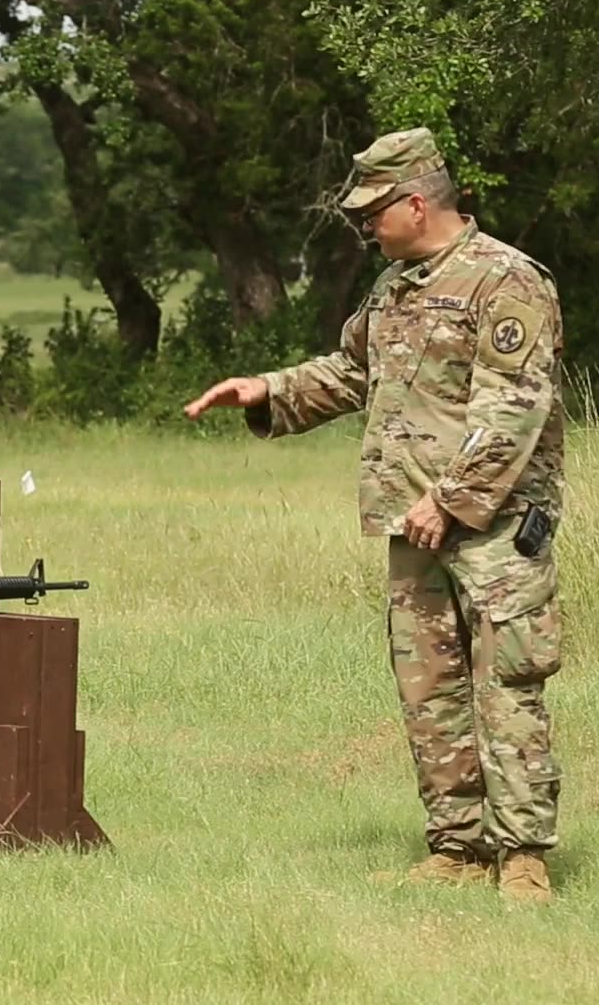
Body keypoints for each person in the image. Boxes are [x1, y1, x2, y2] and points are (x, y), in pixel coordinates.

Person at [183, 127, 566, 902]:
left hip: (491, 529)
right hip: (411, 526)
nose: (364, 225)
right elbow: (353, 369)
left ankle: (523, 856)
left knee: (507, 687)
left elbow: (515, 411)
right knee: (431, 690)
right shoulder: (394, 287)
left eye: (372, 211)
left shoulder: (507, 282)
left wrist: (449, 501)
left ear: (416, 203)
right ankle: (456, 847)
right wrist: (269, 389)